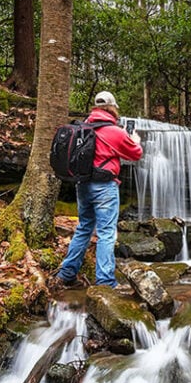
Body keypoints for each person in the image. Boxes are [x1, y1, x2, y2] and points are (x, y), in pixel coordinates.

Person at [51, 91, 143, 289]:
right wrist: (134, 140)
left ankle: (66, 274)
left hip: (83, 185)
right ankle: (105, 282)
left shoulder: (83, 127)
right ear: (112, 108)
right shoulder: (115, 132)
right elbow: (135, 155)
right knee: (107, 233)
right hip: (104, 188)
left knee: (84, 228)